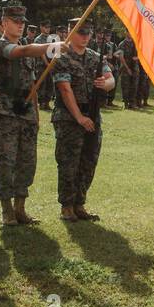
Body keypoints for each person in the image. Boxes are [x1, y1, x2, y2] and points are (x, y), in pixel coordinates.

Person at [0, 3, 60, 225]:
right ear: (5, 23)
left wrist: (36, 115)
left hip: (27, 112)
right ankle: (6, 210)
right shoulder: (1, 46)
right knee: (6, 162)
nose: (20, 26)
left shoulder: (27, 47)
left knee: (27, 162)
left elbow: (33, 86)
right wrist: (50, 47)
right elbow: (19, 52)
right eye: (16, 22)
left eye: (22, 23)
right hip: (6, 111)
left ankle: (20, 208)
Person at [51, 18, 114, 221]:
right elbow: (65, 89)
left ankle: (80, 203)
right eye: (81, 33)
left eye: (88, 33)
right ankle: (66, 206)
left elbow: (111, 78)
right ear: (71, 32)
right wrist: (79, 118)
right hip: (69, 118)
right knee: (69, 162)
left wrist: (106, 84)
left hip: (93, 115)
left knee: (89, 160)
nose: (85, 37)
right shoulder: (61, 57)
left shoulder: (96, 57)